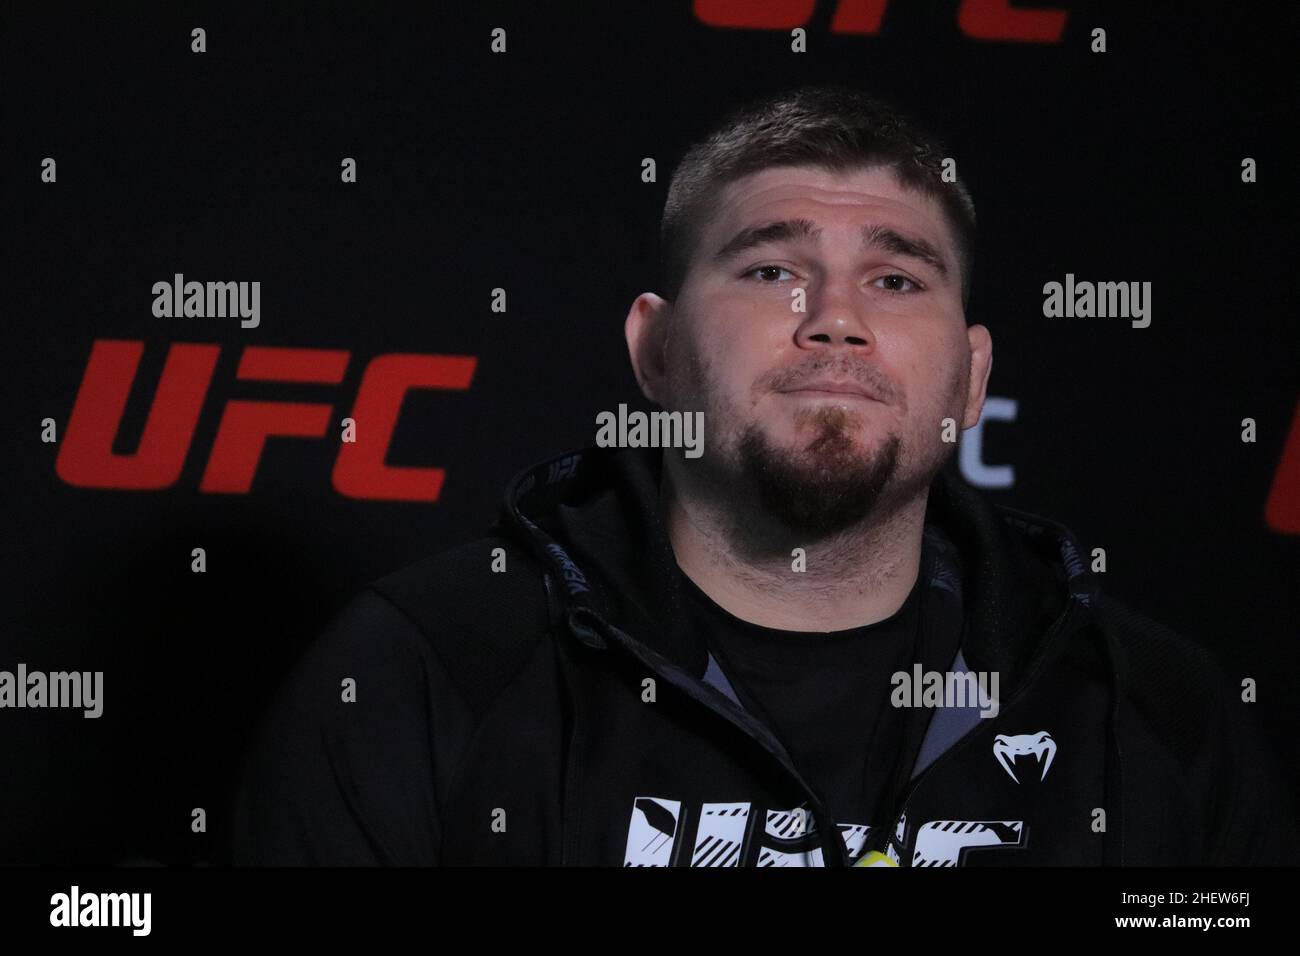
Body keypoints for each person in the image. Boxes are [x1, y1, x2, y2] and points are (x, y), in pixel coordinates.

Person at [230, 84, 1298, 866]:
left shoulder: (1152, 712)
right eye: (772, 269)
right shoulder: (428, 672)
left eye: (893, 276)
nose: (833, 317)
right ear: (655, 350)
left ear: (970, 377)